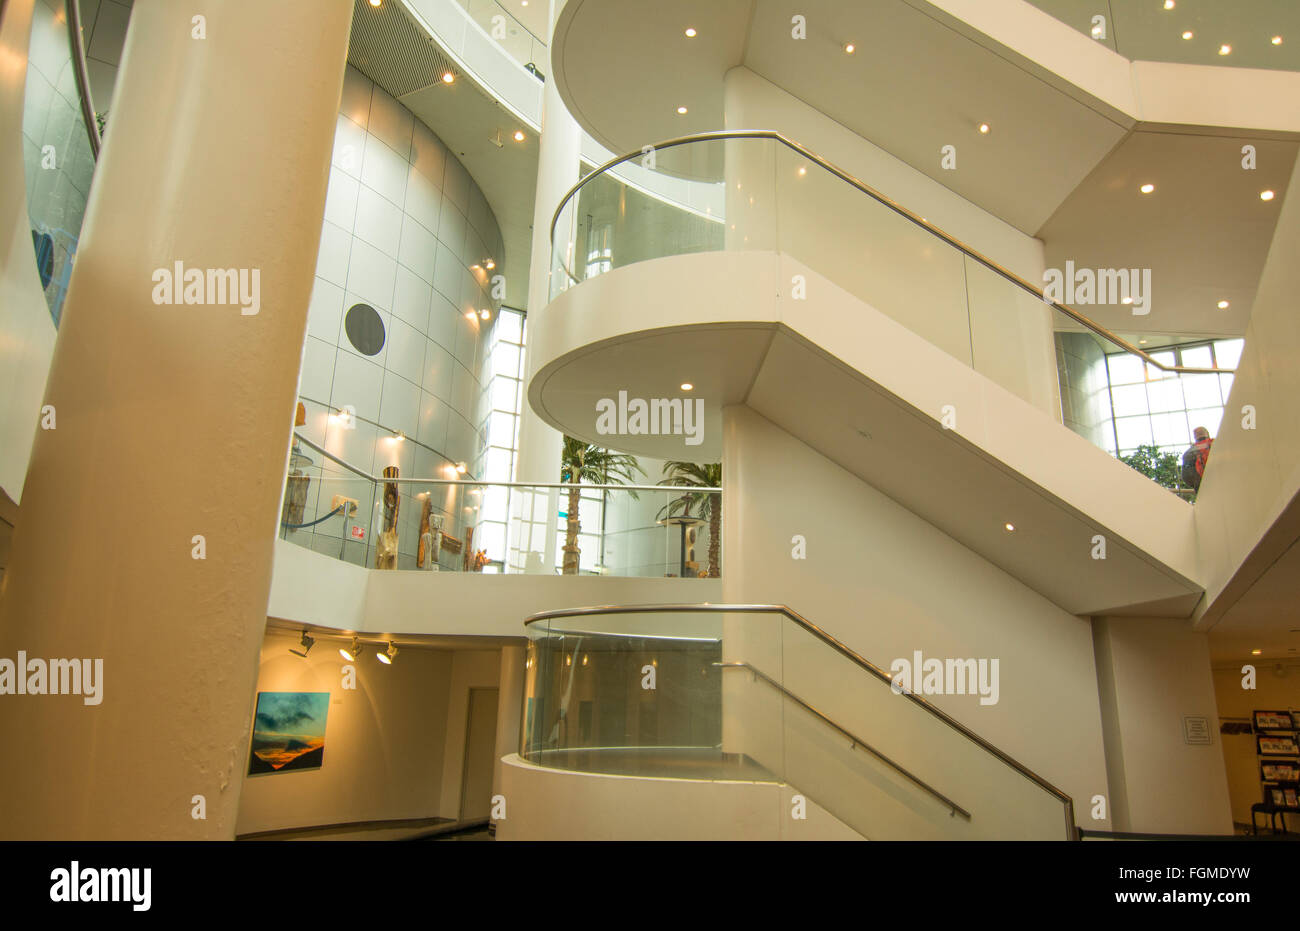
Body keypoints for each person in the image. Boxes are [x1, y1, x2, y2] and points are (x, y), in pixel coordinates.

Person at [1181, 426, 1214, 491]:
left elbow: (1186, 476)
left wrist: (1196, 484)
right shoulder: (1215, 444)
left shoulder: (1188, 453)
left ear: (1195, 437)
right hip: (1222, 483)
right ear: (1207, 434)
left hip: (1202, 488)